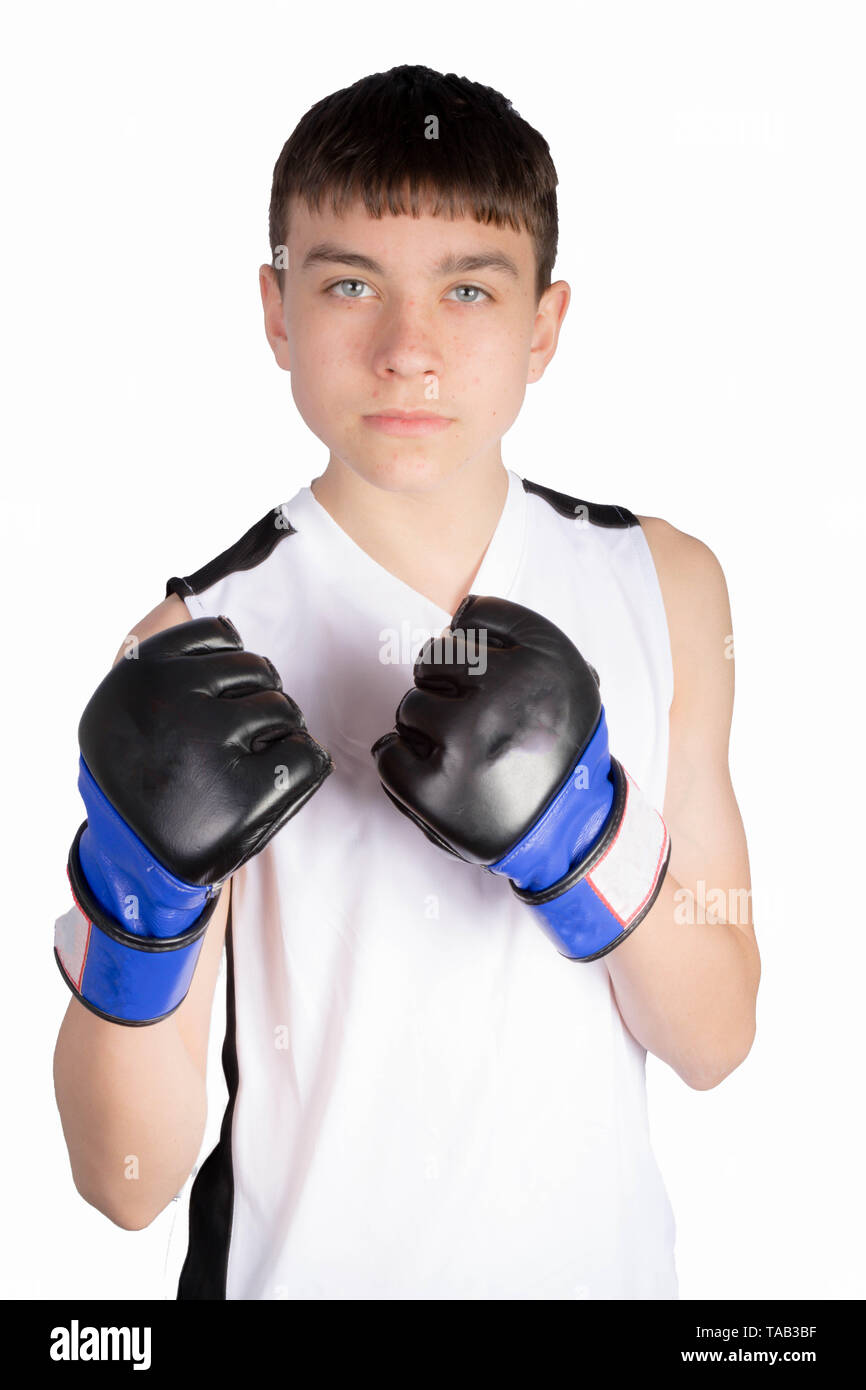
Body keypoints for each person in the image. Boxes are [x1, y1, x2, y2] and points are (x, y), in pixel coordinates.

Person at [52, 63, 761, 1300]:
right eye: (347, 285)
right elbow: (124, 1182)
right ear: (276, 312)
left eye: (468, 289)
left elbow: (714, 1039)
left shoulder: (664, 584)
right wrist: (141, 901)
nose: (406, 351)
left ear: (543, 325)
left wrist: (586, 839)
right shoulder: (193, 640)